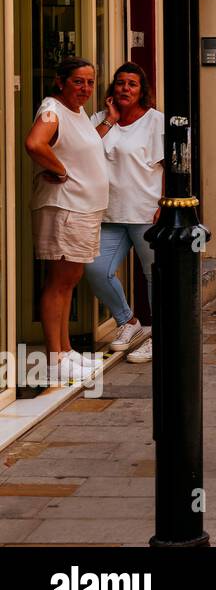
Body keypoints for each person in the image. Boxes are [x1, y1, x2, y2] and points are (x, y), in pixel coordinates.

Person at [24, 58, 110, 382]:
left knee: (68, 281)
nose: (85, 89)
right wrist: (59, 170)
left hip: (82, 208)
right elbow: (35, 143)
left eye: (90, 82)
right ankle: (54, 359)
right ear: (60, 81)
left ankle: (65, 351)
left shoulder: (78, 112)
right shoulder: (52, 109)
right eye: (78, 82)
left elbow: (82, 149)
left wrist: (109, 123)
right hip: (66, 209)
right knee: (59, 283)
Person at [84, 63, 163, 364]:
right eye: (120, 83)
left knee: (154, 276)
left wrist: (164, 204)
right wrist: (110, 121)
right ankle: (129, 322)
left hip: (145, 212)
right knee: (95, 269)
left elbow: (171, 165)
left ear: (142, 90)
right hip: (108, 213)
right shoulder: (100, 120)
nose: (125, 89)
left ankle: (159, 336)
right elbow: (85, 153)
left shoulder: (156, 122)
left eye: (132, 84)